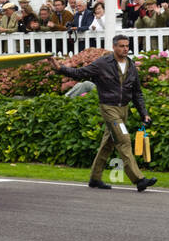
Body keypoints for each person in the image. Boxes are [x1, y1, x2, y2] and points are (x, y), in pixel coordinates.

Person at [52, 35, 156, 191]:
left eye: (127, 46)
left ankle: (95, 178)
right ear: (114, 47)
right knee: (124, 139)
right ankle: (138, 179)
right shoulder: (102, 63)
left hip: (124, 109)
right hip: (109, 108)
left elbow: (137, 93)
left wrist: (144, 113)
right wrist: (60, 69)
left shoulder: (131, 65)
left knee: (107, 144)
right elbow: (80, 73)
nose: (125, 49)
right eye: (121, 46)